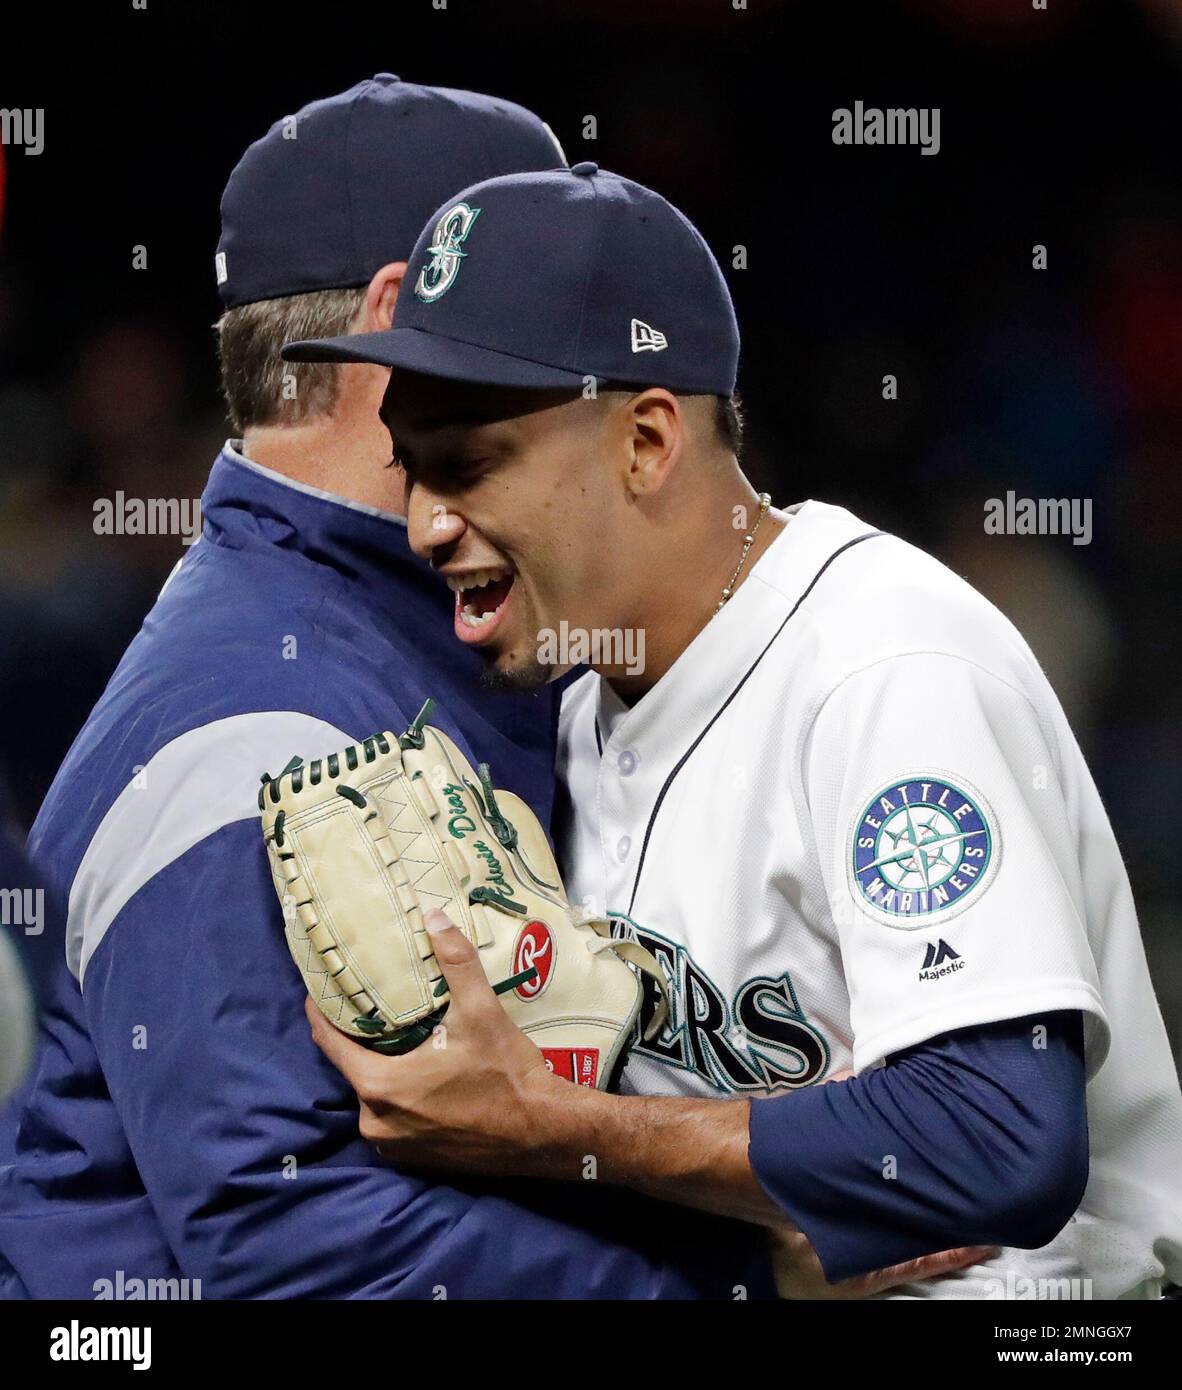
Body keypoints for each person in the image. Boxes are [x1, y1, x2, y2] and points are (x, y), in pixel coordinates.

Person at [286, 162, 1182, 1300]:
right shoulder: (573, 709)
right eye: (413, 471)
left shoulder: (886, 666)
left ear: (648, 441)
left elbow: (999, 1139)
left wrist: (551, 1126)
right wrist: (748, 1220)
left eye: (469, 464)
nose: (425, 523)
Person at [1, 81, 795, 1301]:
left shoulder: (442, 628)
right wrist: (737, 1285)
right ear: (393, 320)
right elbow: (282, 1232)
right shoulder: (247, 713)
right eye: (548, 316)